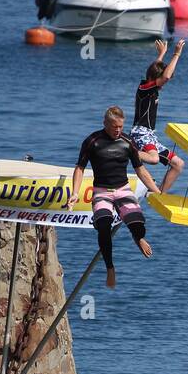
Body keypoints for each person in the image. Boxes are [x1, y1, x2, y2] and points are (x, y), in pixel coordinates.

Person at [68, 106, 164, 290]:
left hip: (123, 189)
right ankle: (110, 268)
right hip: (102, 191)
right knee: (103, 226)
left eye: (120, 126)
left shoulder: (127, 142)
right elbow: (79, 168)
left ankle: (138, 238)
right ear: (105, 123)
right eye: (114, 127)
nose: (118, 130)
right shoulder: (92, 141)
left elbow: (141, 170)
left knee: (137, 224)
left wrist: (157, 191)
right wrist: (74, 192)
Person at [130, 38, 186, 194]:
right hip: (140, 133)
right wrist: (176, 55)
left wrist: (161, 55)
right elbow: (165, 76)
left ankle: (159, 194)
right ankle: (124, 150)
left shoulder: (149, 86)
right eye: (162, 82)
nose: (164, 85)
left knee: (178, 164)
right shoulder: (144, 88)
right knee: (154, 159)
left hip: (150, 136)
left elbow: (156, 72)